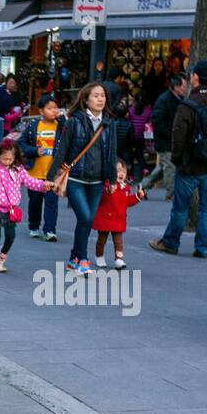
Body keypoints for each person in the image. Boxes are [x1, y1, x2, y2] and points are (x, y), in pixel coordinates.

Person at [150, 60, 207, 259]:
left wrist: (178, 160)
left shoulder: (188, 105)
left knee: (180, 207)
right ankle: (202, 247)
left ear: (195, 77)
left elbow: (178, 135)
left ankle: (171, 242)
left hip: (190, 165)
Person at [48, 81, 115, 275]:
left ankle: (73, 259)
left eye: (102, 95)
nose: (100, 99)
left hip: (97, 181)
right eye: (95, 95)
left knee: (86, 221)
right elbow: (62, 151)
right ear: (85, 99)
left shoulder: (109, 123)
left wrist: (110, 179)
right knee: (85, 217)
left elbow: (111, 154)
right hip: (76, 179)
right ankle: (83, 259)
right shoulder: (74, 121)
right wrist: (51, 177)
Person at [0, 141, 50, 272]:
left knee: (11, 235)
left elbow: (29, 181)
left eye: (10, 159)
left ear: (15, 158)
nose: (7, 161)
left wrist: (42, 185)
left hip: (10, 209)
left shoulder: (18, 170)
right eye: (4, 158)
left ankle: (3, 253)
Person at [17, 94, 63, 241]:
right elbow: (21, 143)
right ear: (41, 111)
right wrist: (34, 151)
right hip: (34, 173)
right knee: (35, 202)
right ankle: (34, 226)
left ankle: (50, 230)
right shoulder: (33, 125)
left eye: (56, 107)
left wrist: (63, 120)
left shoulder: (61, 126)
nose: (54, 111)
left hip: (53, 174)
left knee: (52, 203)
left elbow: (69, 141)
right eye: (50, 108)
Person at [92, 158, 145, 269]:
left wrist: (137, 196)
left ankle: (119, 259)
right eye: (118, 170)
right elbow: (101, 199)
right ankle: (99, 256)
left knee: (118, 242)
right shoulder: (107, 185)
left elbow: (128, 201)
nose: (121, 174)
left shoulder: (125, 187)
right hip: (105, 217)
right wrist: (107, 191)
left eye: (124, 172)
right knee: (102, 239)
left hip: (118, 219)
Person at [142, 73, 186, 197]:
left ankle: (143, 186)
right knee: (169, 166)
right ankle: (171, 193)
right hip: (165, 140)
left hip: (172, 139)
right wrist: (170, 135)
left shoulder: (179, 100)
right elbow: (157, 121)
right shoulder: (164, 100)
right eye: (183, 86)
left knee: (163, 167)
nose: (185, 88)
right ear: (176, 87)